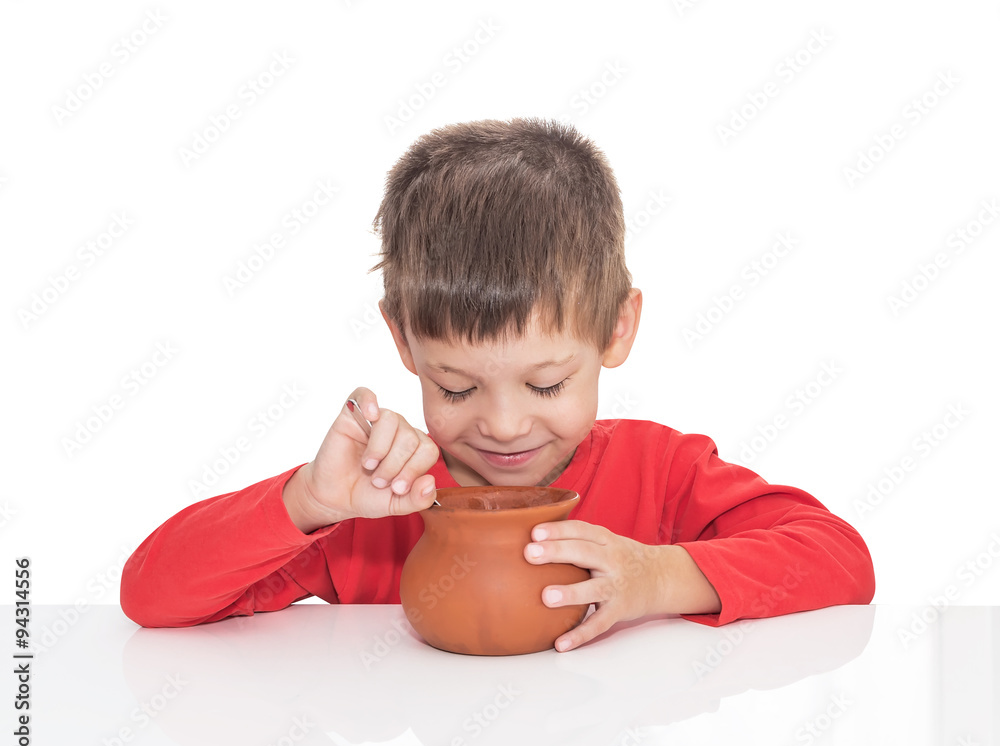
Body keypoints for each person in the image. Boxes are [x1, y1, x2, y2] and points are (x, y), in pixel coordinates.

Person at [120, 118, 875, 650]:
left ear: (616, 330)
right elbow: (149, 595)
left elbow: (841, 557)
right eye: (455, 387)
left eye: (546, 384)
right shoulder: (377, 505)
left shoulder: (662, 473)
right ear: (403, 341)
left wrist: (658, 575)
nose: (506, 425)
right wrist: (308, 502)